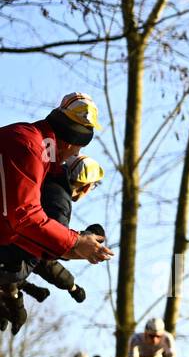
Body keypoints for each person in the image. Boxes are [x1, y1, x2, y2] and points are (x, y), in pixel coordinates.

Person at [0, 94, 112, 334]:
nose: (75, 153)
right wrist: (77, 241)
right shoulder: (28, 146)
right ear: (72, 141)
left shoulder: (39, 146)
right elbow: (26, 217)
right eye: (79, 146)